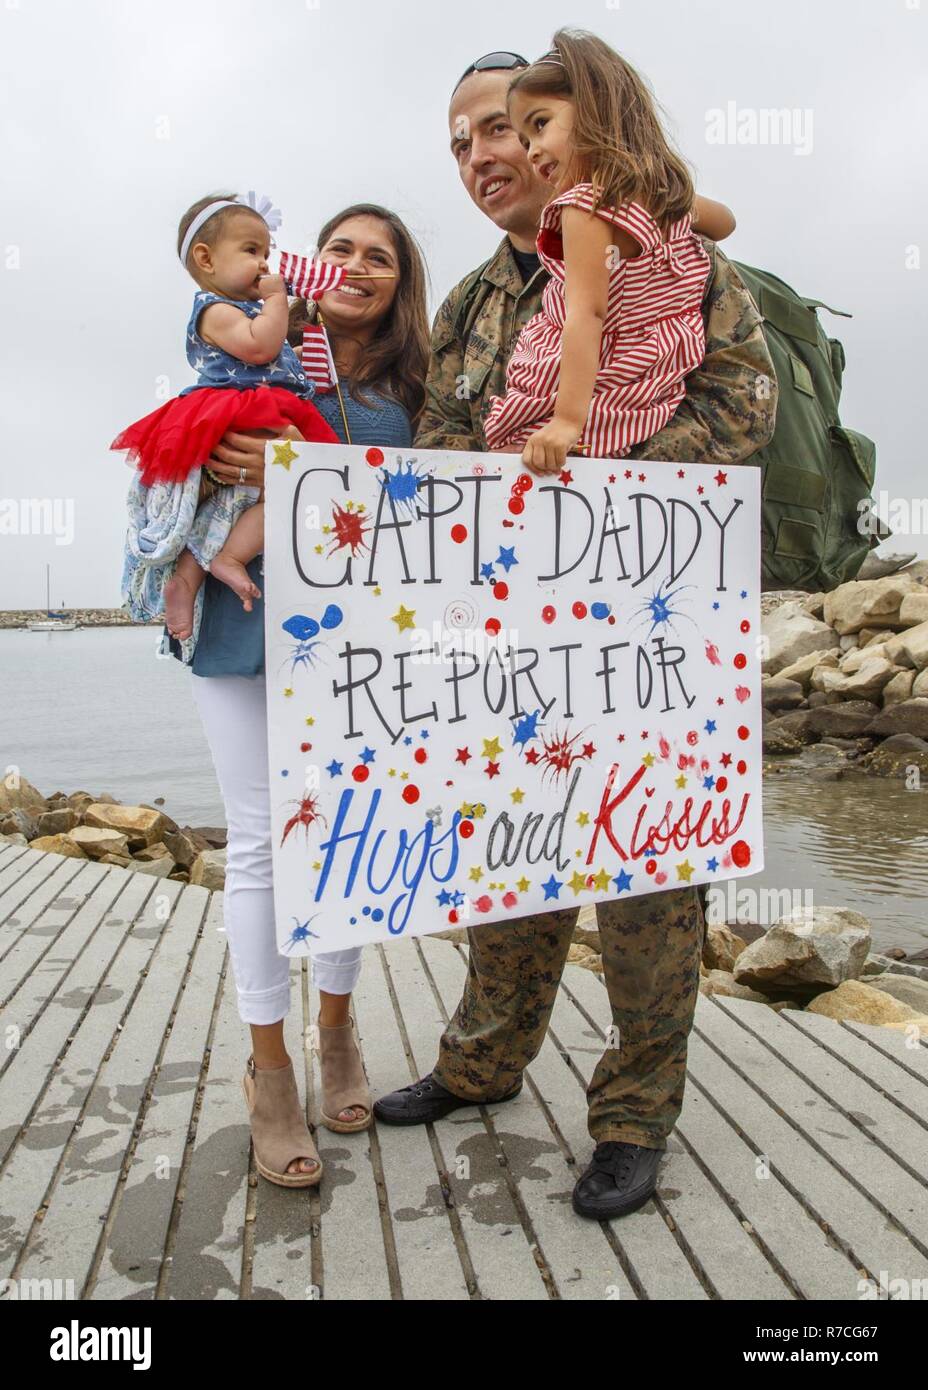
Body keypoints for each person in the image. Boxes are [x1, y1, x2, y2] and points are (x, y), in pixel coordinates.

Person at [373, 35, 778, 1223]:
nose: (481, 156)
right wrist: (496, 504)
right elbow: (442, 437)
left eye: (499, 127)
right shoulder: (472, 301)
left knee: (651, 881)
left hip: (653, 636)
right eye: (457, 144)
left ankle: (633, 1115)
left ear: (564, 130)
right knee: (509, 853)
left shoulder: (677, 255)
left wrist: (598, 487)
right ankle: (482, 1063)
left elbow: (740, 404)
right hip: (515, 642)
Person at [167, 204, 430, 1186]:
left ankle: (339, 1030)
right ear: (305, 264)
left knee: (345, 826)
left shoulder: (409, 395)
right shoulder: (249, 342)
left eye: (383, 258)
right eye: (343, 250)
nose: (358, 267)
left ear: (402, 286)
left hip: (351, 643)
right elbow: (174, 474)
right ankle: (269, 1067)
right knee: (256, 835)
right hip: (241, 624)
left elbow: (419, 518)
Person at [114, 191, 384, 645]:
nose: (264, 264)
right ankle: (195, 571)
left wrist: (293, 357)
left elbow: (270, 355)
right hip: (235, 408)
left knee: (277, 494)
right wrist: (279, 299)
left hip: (261, 405)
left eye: (266, 251)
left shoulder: (251, 311)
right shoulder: (215, 309)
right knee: (261, 486)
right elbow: (259, 347)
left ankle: (213, 562)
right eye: (251, 251)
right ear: (206, 259)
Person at [484, 33, 736, 472]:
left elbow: (588, 315)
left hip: (580, 394)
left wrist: (565, 423)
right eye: (525, 141)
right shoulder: (662, 202)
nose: (534, 151)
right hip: (639, 391)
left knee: (522, 475)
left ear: (596, 106)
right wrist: (672, 202)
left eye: (540, 124)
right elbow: (726, 222)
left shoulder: (584, 208)